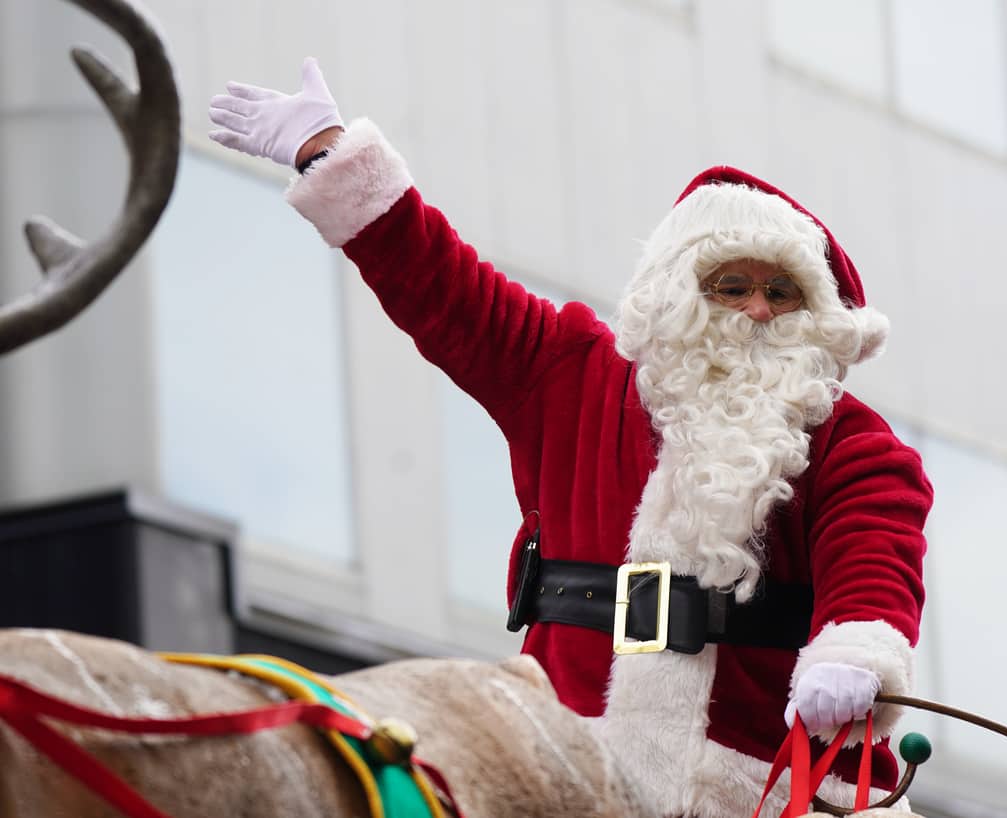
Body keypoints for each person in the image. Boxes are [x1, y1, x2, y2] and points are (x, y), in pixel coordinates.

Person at [210, 58, 933, 817]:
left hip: (765, 788)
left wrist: (855, 653)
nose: (756, 310)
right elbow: (446, 288)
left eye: (781, 293)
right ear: (677, 290)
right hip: (569, 770)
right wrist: (329, 151)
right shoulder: (569, 373)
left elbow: (874, 558)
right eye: (732, 285)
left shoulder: (854, 443)